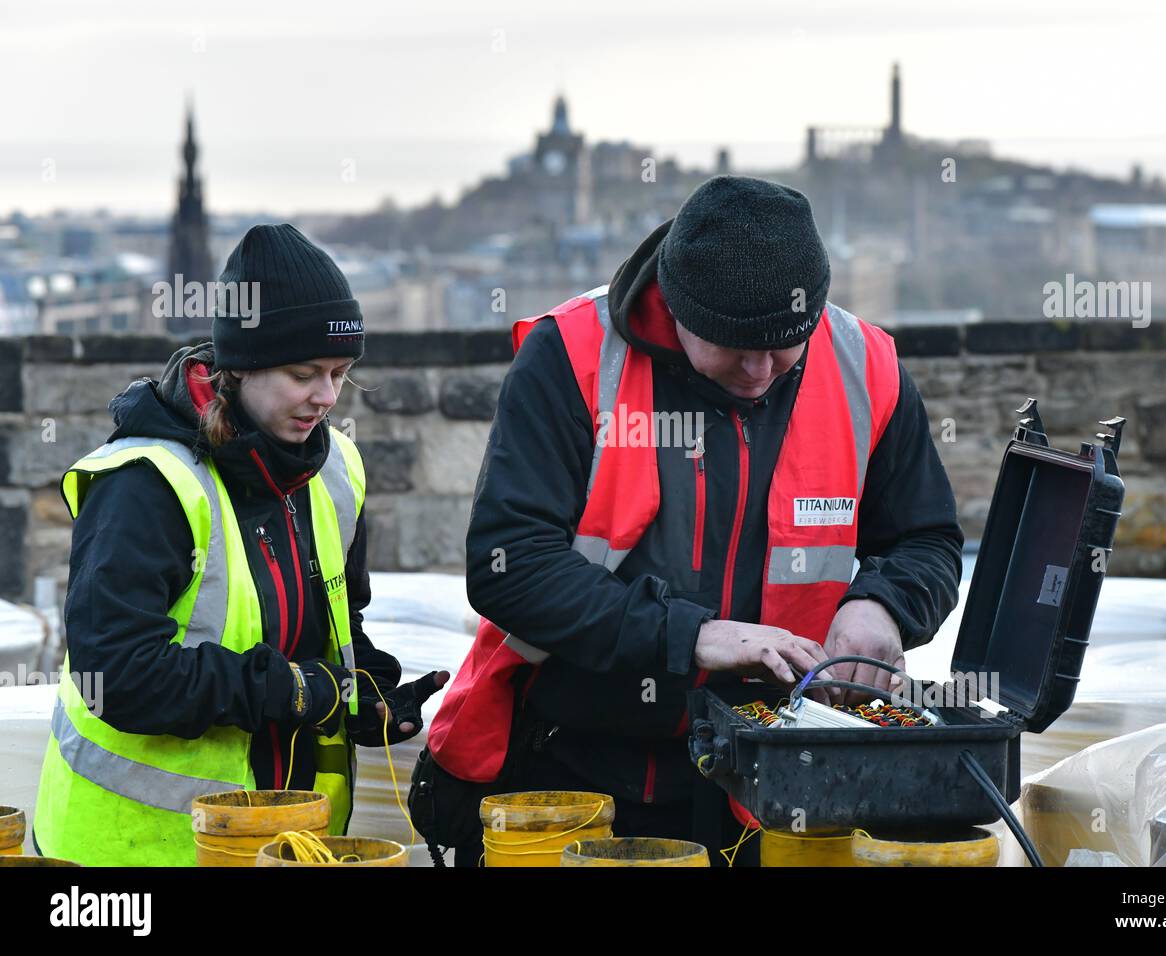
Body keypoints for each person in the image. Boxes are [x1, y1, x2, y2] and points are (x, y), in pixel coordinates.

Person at [413, 175, 965, 866]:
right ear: (674, 308)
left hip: (766, 786)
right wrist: (693, 635)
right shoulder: (570, 356)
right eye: (735, 346)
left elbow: (929, 540)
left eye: (786, 345)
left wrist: (882, 606)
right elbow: (509, 566)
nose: (762, 370)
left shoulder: (865, 365)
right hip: (567, 766)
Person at [34, 223, 447, 866]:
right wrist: (292, 690)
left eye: (341, 373)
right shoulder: (148, 483)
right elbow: (113, 675)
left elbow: (335, 625)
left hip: (288, 844)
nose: (326, 397)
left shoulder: (336, 468)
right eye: (302, 372)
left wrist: (364, 688)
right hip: (135, 855)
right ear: (239, 368)